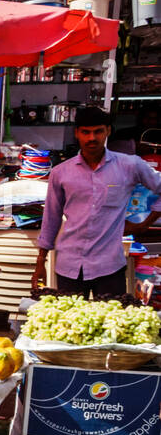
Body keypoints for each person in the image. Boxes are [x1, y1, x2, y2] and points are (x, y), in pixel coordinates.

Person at [36, 105, 161, 297]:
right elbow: (50, 219)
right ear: (77, 133)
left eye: (98, 132)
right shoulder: (61, 173)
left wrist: (145, 224)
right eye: (85, 132)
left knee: (112, 324)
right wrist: (40, 262)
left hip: (109, 266)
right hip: (69, 266)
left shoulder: (129, 165)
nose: (91, 138)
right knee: (71, 324)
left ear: (108, 131)